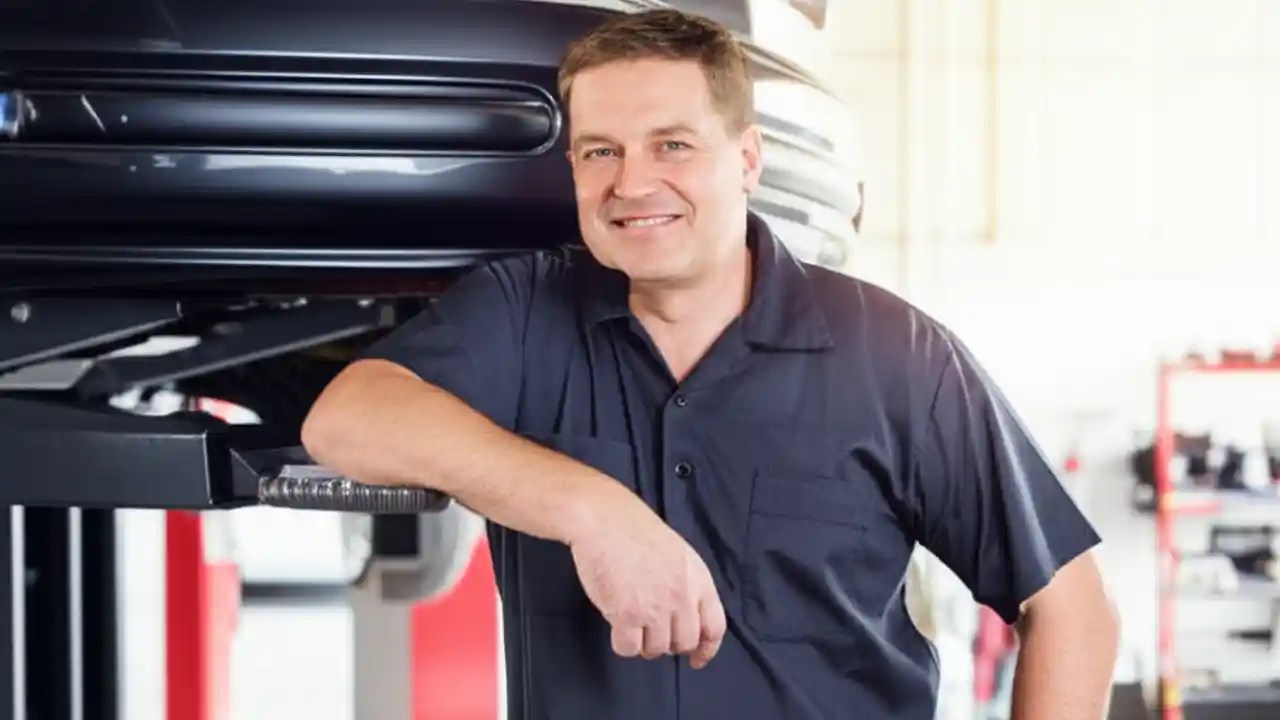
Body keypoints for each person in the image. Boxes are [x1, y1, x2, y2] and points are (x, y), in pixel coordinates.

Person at [301, 8, 1120, 719]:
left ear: (749, 159)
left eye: (672, 145)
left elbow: (1071, 607)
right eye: (599, 153)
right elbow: (347, 418)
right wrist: (590, 509)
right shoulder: (524, 314)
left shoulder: (895, 356)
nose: (633, 183)